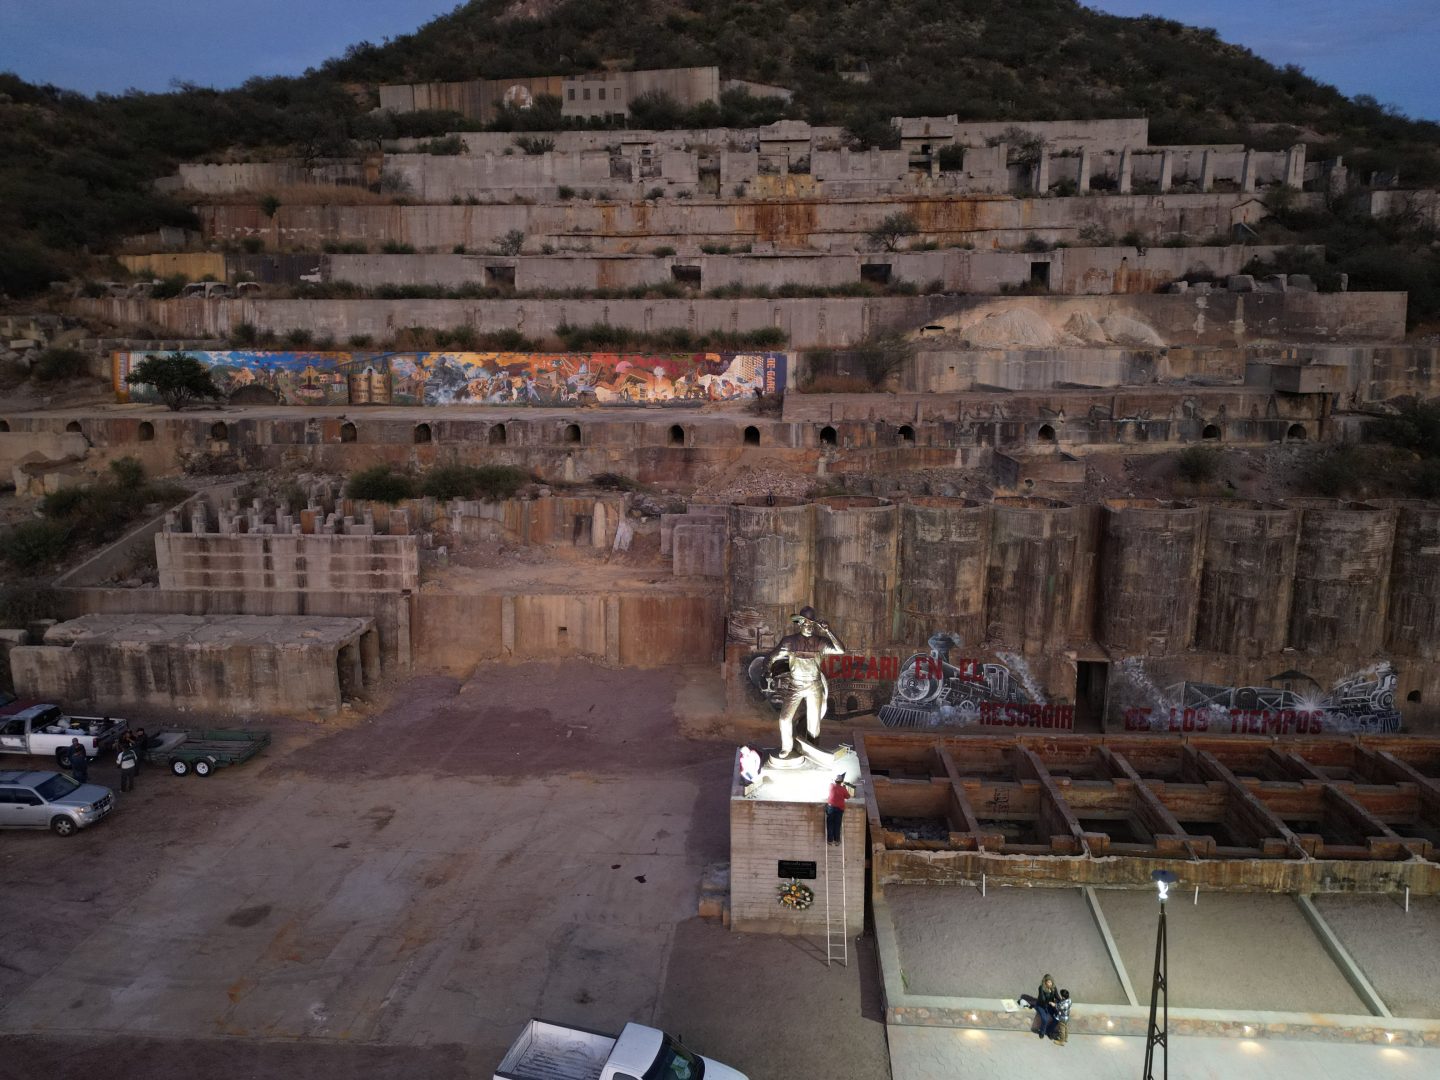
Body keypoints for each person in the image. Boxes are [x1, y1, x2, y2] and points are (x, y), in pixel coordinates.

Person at [762, 607, 846, 759]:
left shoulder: (821, 643)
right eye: (805, 623)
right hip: (796, 685)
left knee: (814, 723)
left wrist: (829, 631)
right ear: (799, 623)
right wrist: (767, 671)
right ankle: (786, 747)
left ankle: (813, 749)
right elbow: (771, 657)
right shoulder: (789, 642)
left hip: (814, 685)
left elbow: (841, 650)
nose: (809, 626)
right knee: (784, 718)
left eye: (811, 624)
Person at [1018, 974, 1062, 1040]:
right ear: (1045, 982)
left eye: (1051, 982)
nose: (1050, 983)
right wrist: (1050, 1002)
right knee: (1045, 1019)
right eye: (1048, 982)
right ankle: (1042, 1032)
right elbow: (1042, 999)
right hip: (1041, 1005)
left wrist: (1062, 1001)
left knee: (1057, 1018)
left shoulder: (1053, 987)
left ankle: (1049, 1031)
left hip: (1050, 1006)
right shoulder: (1041, 988)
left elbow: (1057, 996)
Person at [825, 774, 855, 845]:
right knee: (837, 824)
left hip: (831, 807)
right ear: (841, 781)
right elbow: (848, 797)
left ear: (835, 781)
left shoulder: (831, 786)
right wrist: (844, 788)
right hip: (839, 808)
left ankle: (830, 840)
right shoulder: (843, 789)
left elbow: (832, 785)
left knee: (830, 824)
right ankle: (837, 840)